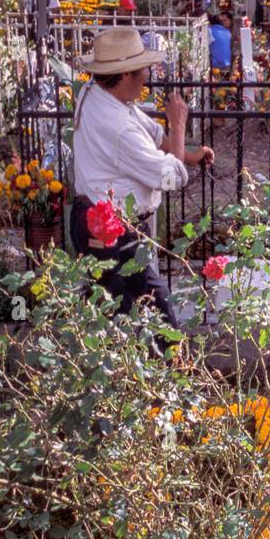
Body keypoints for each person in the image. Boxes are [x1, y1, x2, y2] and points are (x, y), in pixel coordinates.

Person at [71, 26, 214, 329]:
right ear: (124, 75)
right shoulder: (118, 127)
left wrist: (188, 155)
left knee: (122, 314)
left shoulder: (97, 94)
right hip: (112, 233)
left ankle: (147, 369)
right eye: (143, 68)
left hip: (103, 223)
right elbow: (171, 178)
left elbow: (151, 135)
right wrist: (178, 125)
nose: (148, 75)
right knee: (153, 311)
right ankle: (176, 369)